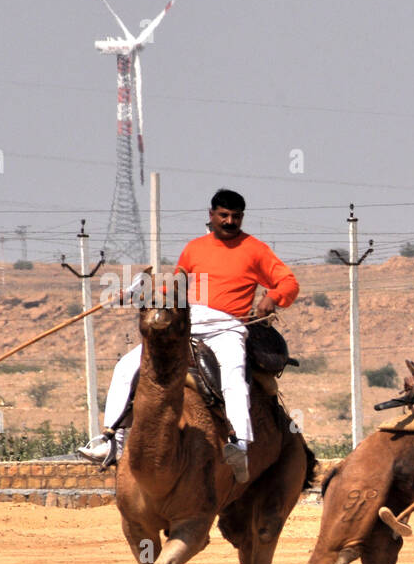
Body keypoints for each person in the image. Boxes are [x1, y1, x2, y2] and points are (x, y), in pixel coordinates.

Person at [78, 188, 299, 483]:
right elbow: (173, 289)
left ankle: (240, 445)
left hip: (228, 327)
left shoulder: (256, 250)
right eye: (224, 215)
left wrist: (273, 296)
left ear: (242, 218)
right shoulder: (195, 248)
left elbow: (289, 282)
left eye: (236, 216)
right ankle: (111, 441)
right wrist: (139, 293)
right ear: (211, 215)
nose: (230, 221)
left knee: (233, 374)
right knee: (126, 366)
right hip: (189, 323)